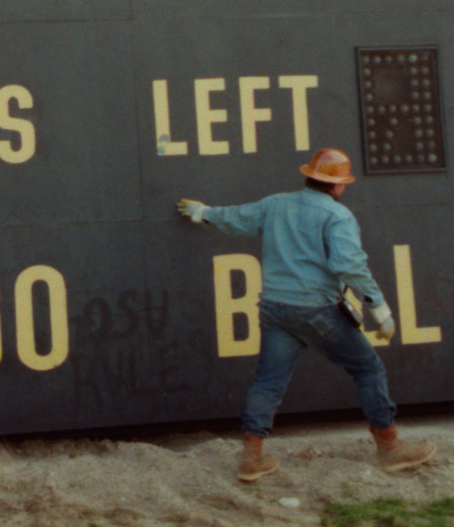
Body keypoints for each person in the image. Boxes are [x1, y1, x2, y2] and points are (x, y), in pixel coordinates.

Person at [177, 147, 436, 482]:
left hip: (274, 308)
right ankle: (389, 448)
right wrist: (379, 308)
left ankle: (252, 456)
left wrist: (202, 212)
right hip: (317, 309)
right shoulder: (338, 217)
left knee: (269, 381)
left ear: (309, 175)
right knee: (367, 368)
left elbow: (237, 217)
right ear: (338, 185)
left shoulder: (276, 204)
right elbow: (350, 266)